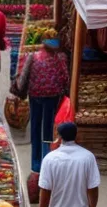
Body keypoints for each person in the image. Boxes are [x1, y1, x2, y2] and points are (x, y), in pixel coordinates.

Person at [18, 37, 70, 173]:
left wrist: (20, 89)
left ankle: (36, 164)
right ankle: (47, 160)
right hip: (52, 97)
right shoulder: (61, 58)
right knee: (47, 128)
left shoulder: (33, 57)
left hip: (35, 95)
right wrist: (65, 92)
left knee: (35, 127)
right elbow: (65, 77)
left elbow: (23, 76)